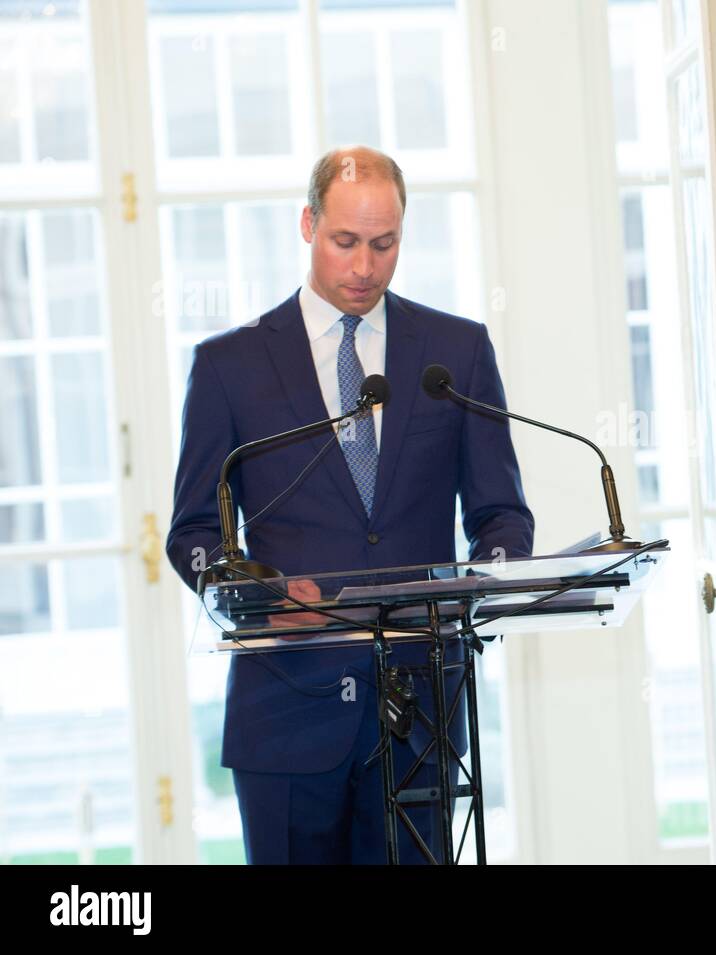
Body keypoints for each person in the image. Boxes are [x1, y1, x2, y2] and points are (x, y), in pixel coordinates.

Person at [165, 145, 534, 863]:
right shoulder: (229, 366)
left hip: (423, 709)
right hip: (286, 707)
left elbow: (501, 514)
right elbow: (196, 533)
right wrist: (260, 594)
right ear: (308, 225)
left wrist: (482, 579)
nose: (364, 266)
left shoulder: (454, 353)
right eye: (345, 242)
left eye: (383, 244)